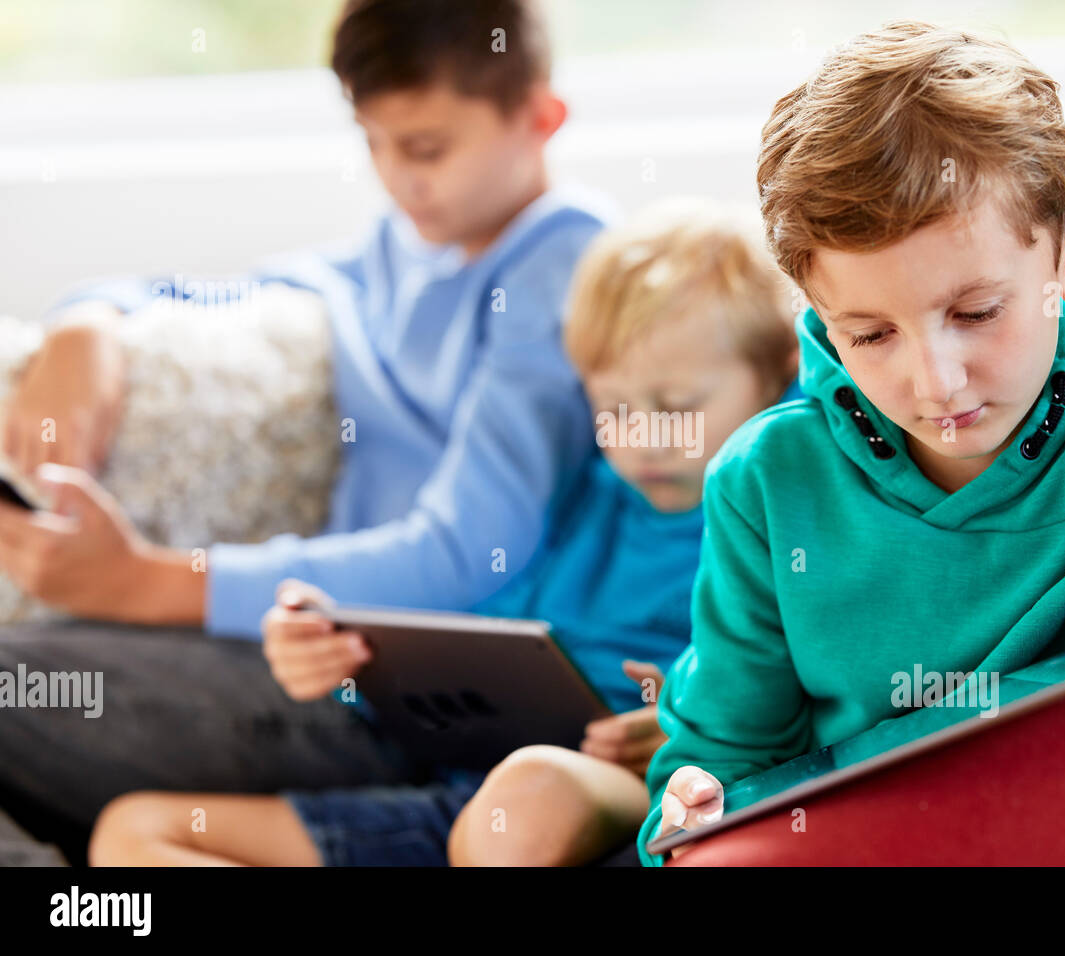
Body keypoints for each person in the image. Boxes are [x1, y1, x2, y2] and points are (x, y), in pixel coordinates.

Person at [638, 20, 1065, 866]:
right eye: (870, 335)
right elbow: (717, 762)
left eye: (976, 313)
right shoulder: (767, 484)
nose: (936, 382)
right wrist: (693, 809)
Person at [0, 0, 614, 862]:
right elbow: (208, 289)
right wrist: (85, 321)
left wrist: (146, 583)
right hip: (312, 664)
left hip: (415, 702)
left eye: (428, 148)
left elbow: (470, 554)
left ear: (540, 118)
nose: (402, 180)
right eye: (375, 143)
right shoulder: (395, 255)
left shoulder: (571, 269)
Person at [86, 200, 802, 866]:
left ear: (777, 374)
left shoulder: (784, 499)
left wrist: (686, 719)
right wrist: (342, 660)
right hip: (462, 791)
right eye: (612, 405)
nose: (642, 435)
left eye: (677, 404)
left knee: (531, 793)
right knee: (132, 833)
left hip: (616, 790)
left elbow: (812, 693)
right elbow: (474, 639)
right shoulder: (574, 492)